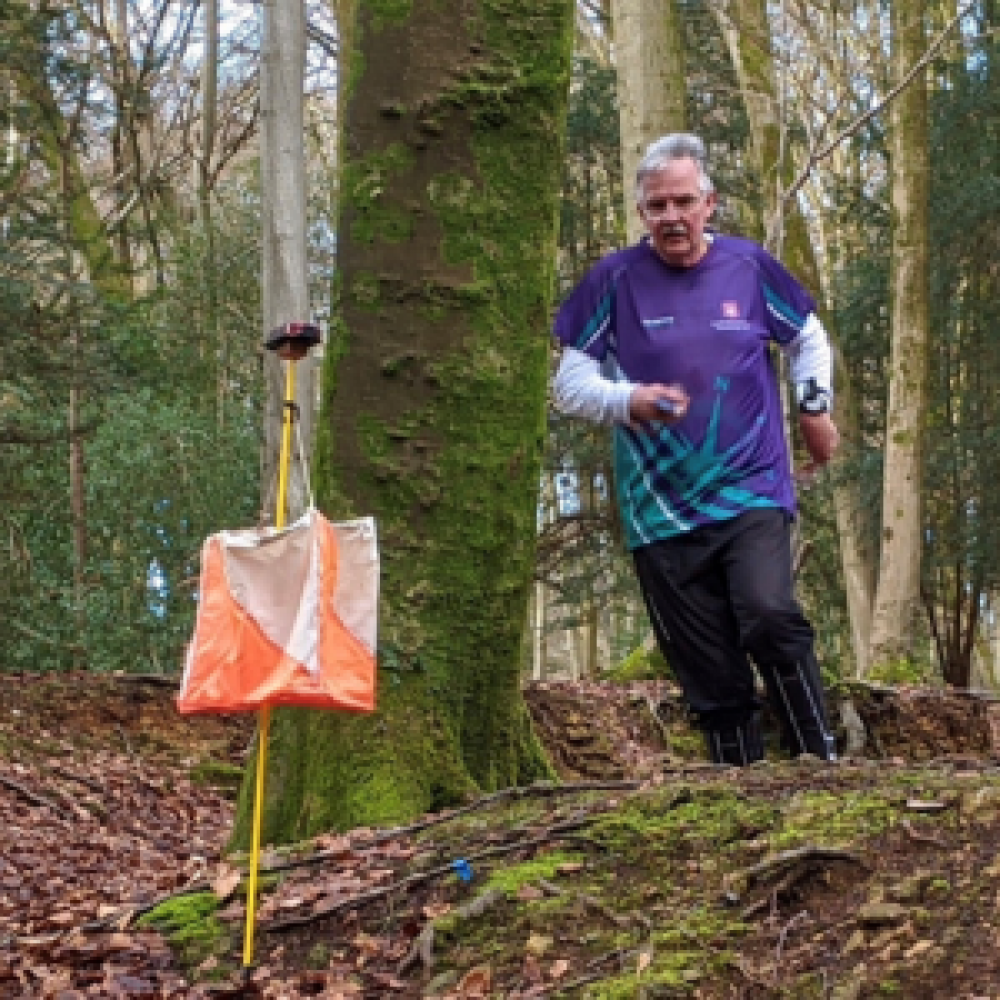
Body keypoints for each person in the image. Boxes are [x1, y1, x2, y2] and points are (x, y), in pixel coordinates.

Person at [551, 133, 839, 765]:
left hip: (751, 487)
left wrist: (814, 408)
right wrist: (629, 399)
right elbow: (570, 385)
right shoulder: (614, 280)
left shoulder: (748, 267)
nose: (672, 217)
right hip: (659, 508)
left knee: (769, 614)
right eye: (658, 206)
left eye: (684, 202)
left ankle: (821, 762)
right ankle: (741, 784)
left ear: (710, 203)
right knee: (708, 666)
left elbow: (808, 338)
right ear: (642, 212)